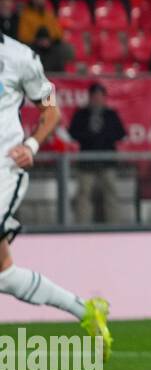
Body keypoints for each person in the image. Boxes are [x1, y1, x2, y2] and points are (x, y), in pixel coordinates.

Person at [0, 29, 111, 347]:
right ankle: (87, 311)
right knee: (5, 274)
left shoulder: (20, 57)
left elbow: (51, 109)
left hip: (6, 170)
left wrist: (32, 146)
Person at [68, 83, 127, 223]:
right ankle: (82, 226)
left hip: (107, 161)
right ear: (89, 97)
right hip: (86, 161)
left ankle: (114, 225)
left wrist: (104, 137)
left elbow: (121, 133)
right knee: (83, 194)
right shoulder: (81, 115)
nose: (97, 99)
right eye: (94, 96)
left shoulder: (111, 115)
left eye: (100, 96)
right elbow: (73, 133)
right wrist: (89, 136)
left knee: (111, 193)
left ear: (104, 98)